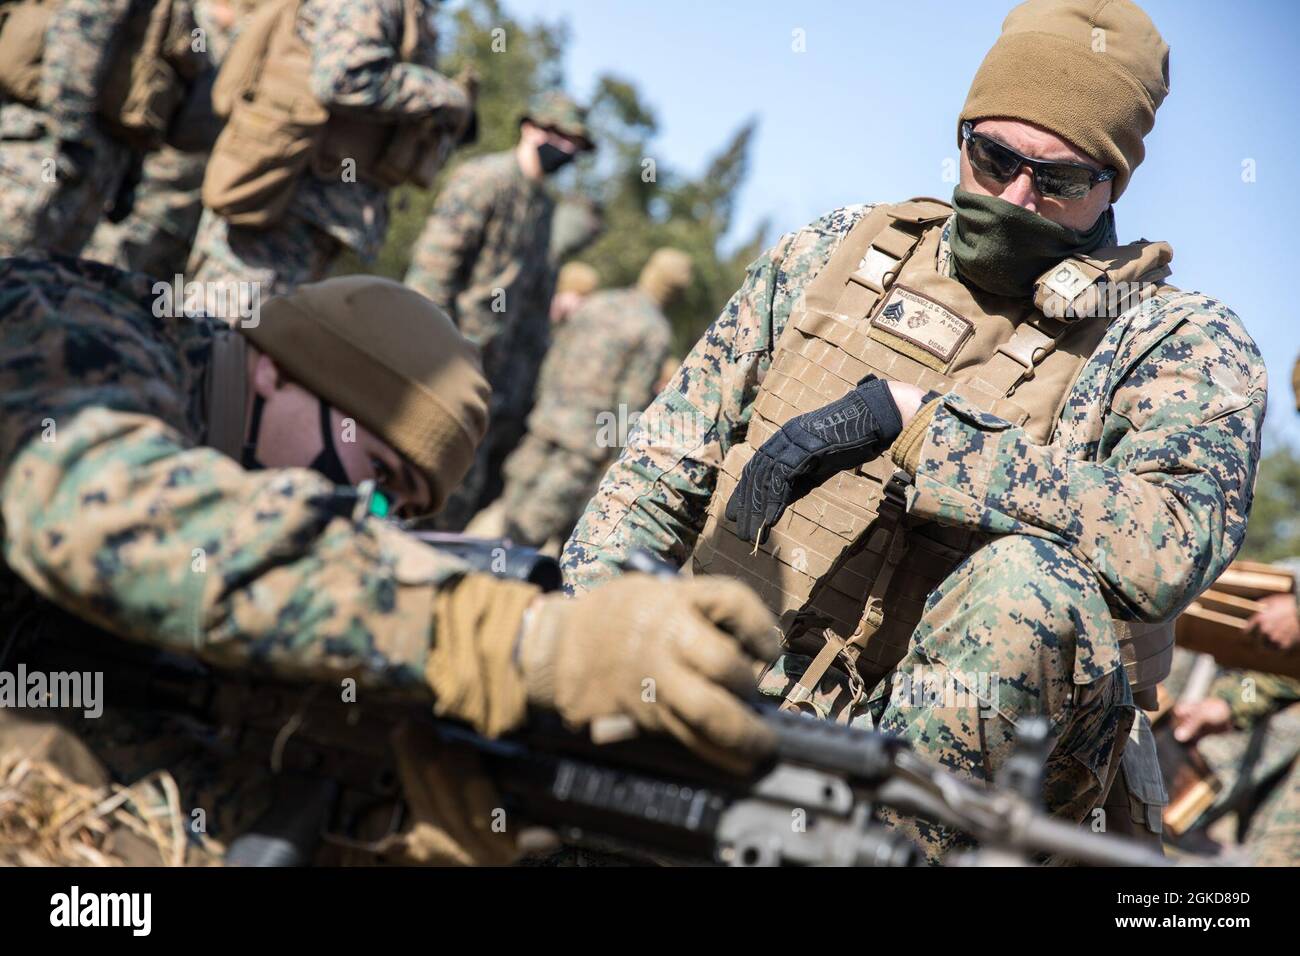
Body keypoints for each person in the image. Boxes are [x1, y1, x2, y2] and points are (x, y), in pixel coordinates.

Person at [562, 0, 1266, 862]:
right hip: (719, 700)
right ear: (961, 135)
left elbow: (1172, 541)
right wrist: (588, 649)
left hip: (951, 794)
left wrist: (924, 432)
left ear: (1114, 182)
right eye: (993, 158)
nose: (1015, 197)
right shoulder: (834, 254)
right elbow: (658, 473)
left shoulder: (1171, 341)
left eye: (1058, 181)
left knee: (1028, 581)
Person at [0, 256, 778, 866]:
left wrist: (378, 831)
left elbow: (143, 748)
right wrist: (509, 637)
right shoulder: (77, 324)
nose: (363, 519)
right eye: (375, 474)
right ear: (278, 370)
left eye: (396, 513)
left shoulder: (238, 456)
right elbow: (109, 520)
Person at [186, 0, 472, 304]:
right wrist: (444, 95)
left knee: (255, 336)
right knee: (222, 330)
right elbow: (342, 78)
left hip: (307, 211)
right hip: (284, 199)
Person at [404, 91, 595, 529]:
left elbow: (529, 304)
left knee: (450, 509)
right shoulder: (485, 179)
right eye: (561, 137)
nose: (567, 151)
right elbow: (433, 271)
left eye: (576, 147)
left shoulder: (544, 206)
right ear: (531, 128)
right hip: (443, 367)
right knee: (407, 487)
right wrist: (423, 355)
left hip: (491, 390)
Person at [499, 249, 691, 550]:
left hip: (544, 425)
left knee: (510, 520)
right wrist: (611, 457)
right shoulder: (654, 331)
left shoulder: (599, 303)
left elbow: (554, 358)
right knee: (526, 538)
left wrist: (542, 406)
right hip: (583, 448)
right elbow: (631, 400)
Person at [0, 0, 204, 257]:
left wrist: (132, 169)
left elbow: (148, 68)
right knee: (12, 260)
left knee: (46, 275)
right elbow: (77, 38)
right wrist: (70, 137)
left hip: (101, 154)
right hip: (48, 147)